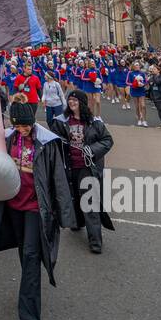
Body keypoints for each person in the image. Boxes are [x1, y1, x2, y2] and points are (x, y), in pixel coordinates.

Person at [0, 100, 76, 320]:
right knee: (25, 255)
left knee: (32, 257)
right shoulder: (8, 138)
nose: (21, 129)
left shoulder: (47, 142)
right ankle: (29, 288)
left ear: (32, 123)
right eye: (17, 125)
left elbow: (58, 179)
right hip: (12, 206)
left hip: (35, 208)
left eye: (24, 125)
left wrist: (66, 214)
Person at [50, 89, 114, 252]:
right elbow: (54, 140)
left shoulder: (95, 122)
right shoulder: (61, 121)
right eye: (70, 100)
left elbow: (107, 140)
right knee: (75, 197)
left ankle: (95, 241)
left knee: (89, 203)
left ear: (82, 103)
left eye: (75, 100)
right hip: (70, 167)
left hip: (88, 168)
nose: (71, 102)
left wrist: (92, 150)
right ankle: (77, 223)